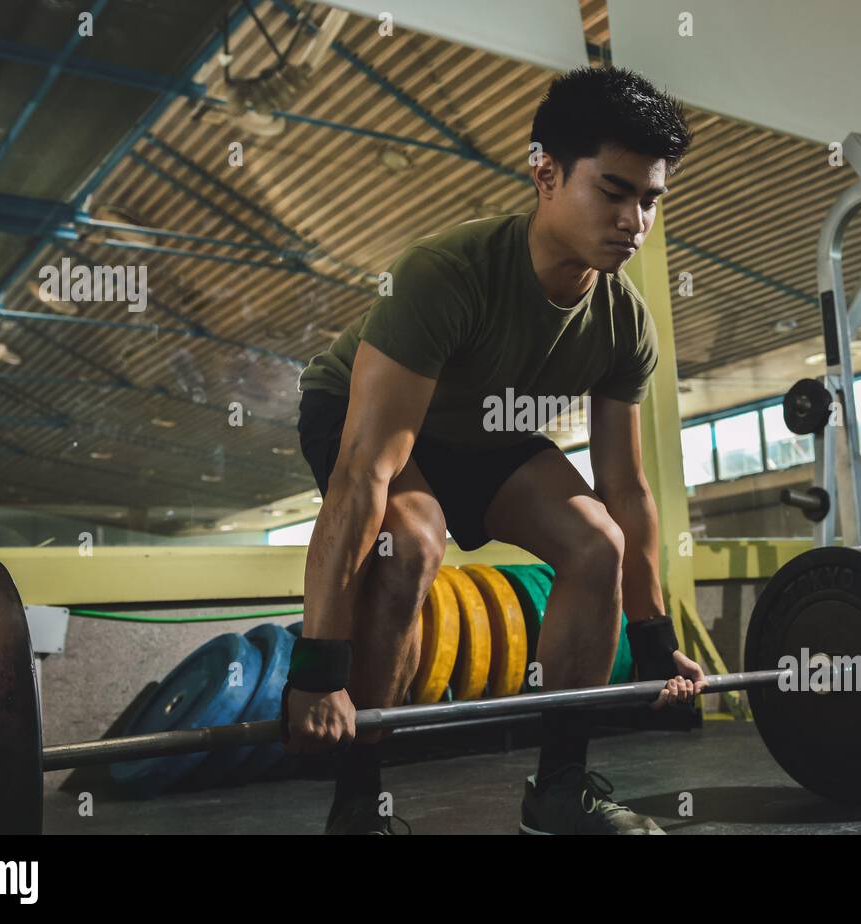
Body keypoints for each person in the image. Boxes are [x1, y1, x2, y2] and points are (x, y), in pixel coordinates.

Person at [287, 65, 705, 835]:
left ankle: (559, 789)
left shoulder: (625, 323)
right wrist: (317, 669)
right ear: (546, 173)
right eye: (612, 192)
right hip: (361, 416)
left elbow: (628, 488)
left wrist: (654, 642)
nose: (634, 221)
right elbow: (364, 472)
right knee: (412, 543)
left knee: (596, 543)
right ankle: (359, 802)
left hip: (485, 429)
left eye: (649, 200)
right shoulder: (445, 277)